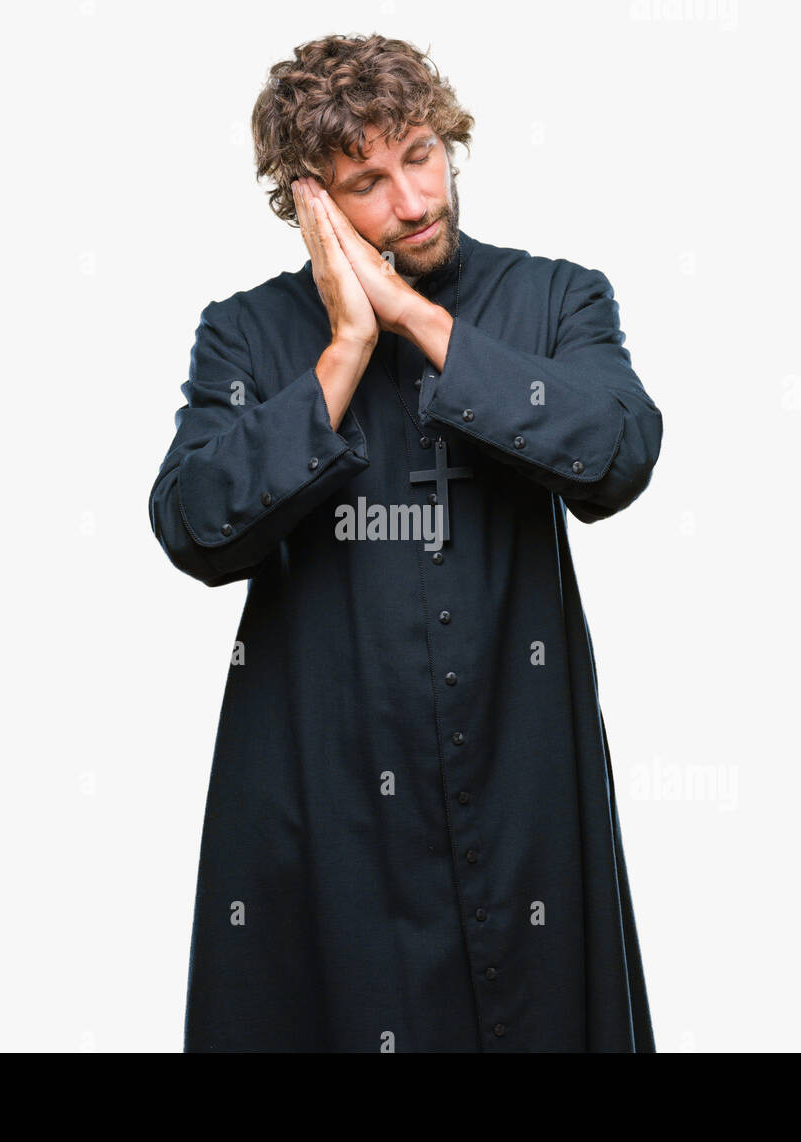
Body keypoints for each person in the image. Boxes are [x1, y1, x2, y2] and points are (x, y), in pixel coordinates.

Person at [148, 33, 663, 1052]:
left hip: (522, 788)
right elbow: (195, 524)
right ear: (310, 201)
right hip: (325, 797)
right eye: (367, 183)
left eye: (421, 155)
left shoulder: (557, 298)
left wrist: (417, 323)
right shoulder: (244, 334)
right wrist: (346, 349)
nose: (414, 200)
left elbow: (617, 453)